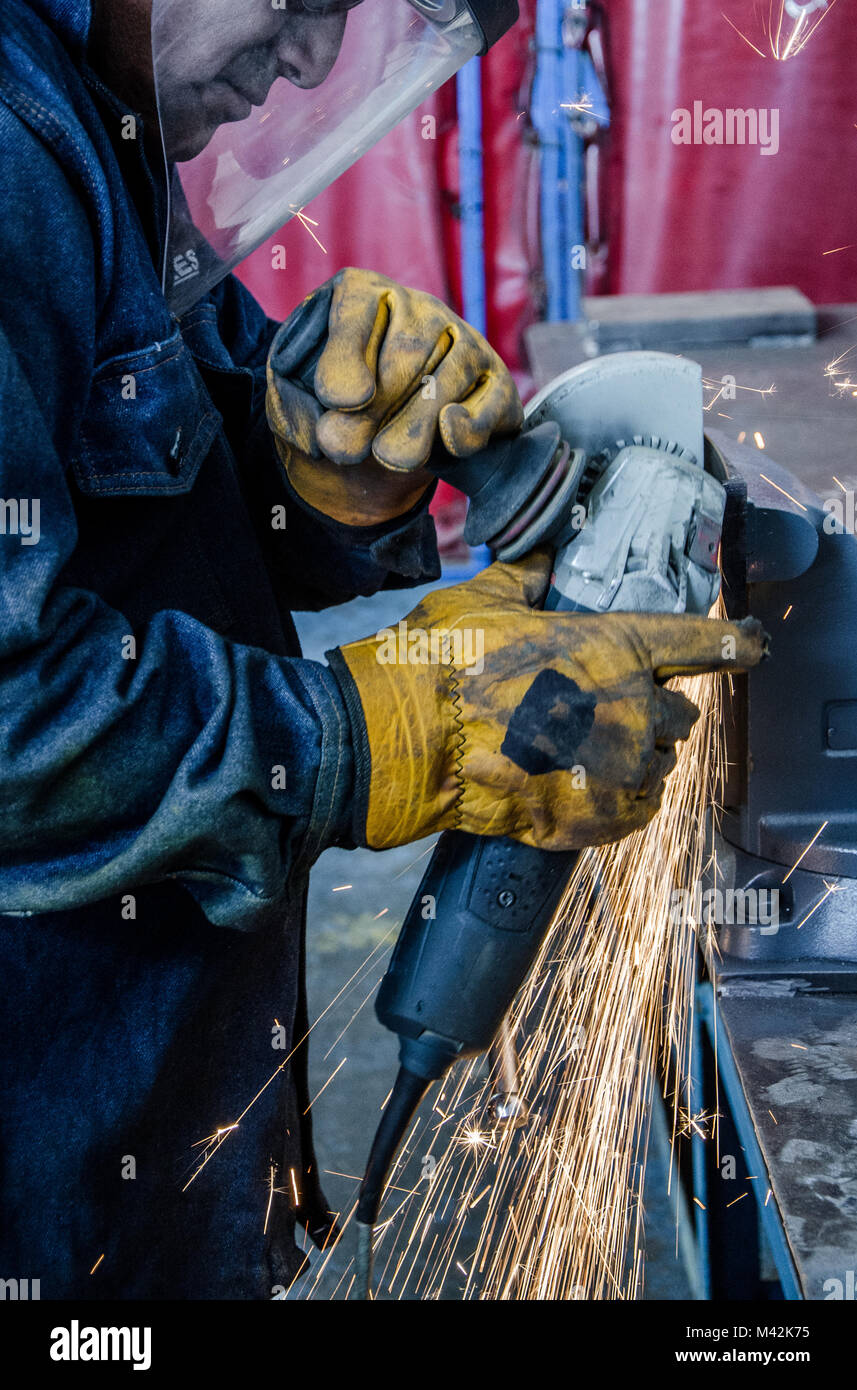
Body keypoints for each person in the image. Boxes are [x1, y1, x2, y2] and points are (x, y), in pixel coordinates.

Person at [0, 0, 764, 1299]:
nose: (307, 56)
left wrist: (330, 473)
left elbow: (184, 499)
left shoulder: (97, 118)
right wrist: (373, 731)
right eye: (305, 1)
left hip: (150, 1134)